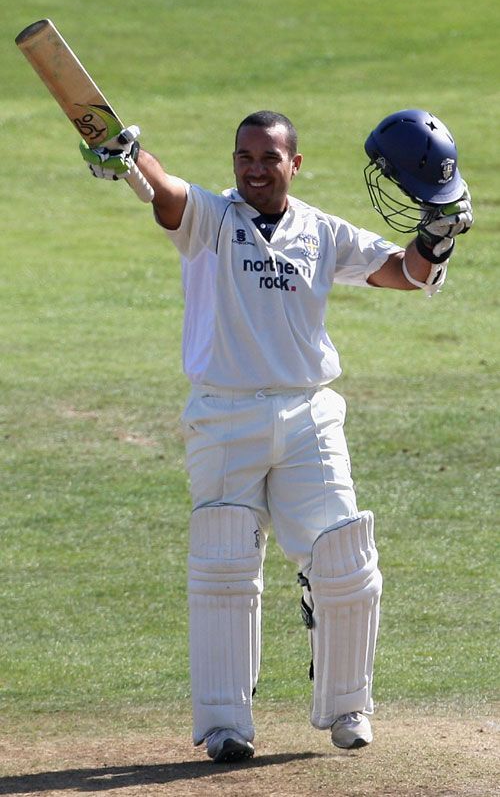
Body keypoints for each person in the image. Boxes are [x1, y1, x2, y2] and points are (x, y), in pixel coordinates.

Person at [80, 109, 473, 762]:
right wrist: (132, 159)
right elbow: (168, 195)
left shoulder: (321, 230)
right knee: (224, 563)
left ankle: (348, 706)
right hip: (224, 413)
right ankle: (225, 725)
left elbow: (402, 271)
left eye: (269, 157)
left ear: (295, 163)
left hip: (307, 412)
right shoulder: (213, 218)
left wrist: (436, 237)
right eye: (245, 156)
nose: (255, 169)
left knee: (344, 559)